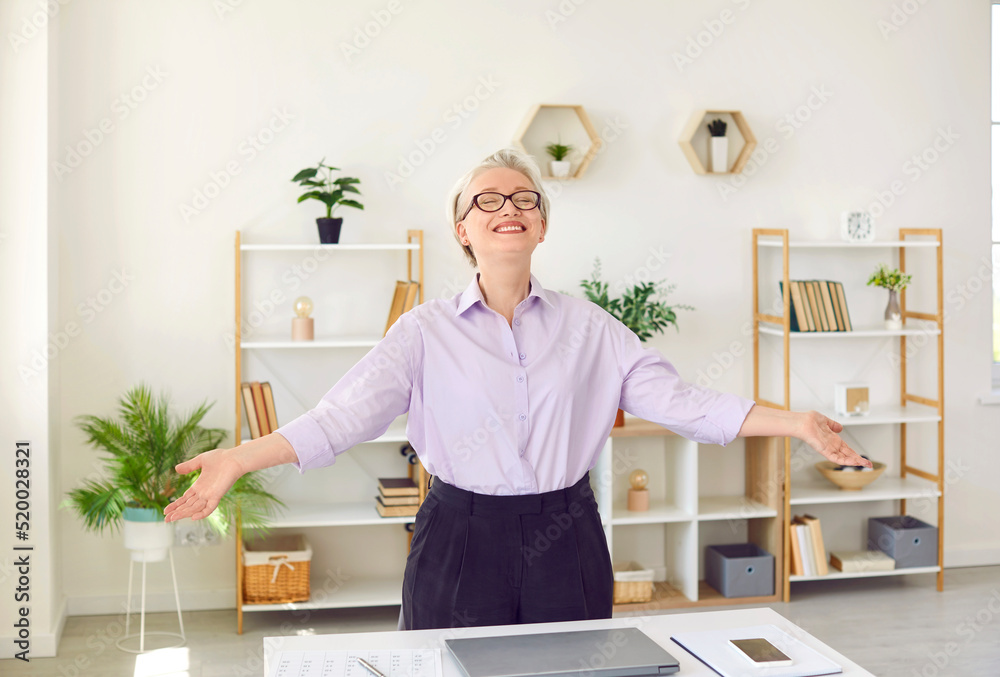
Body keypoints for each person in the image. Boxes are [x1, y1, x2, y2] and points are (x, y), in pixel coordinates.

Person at [164, 147, 871, 630]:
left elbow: (684, 403)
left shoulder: (592, 329)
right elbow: (338, 418)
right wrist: (238, 457)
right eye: (488, 198)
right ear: (462, 227)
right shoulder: (422, 332)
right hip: (457, 537)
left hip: (567, 534)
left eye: (525, 197)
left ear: (541, 223)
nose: (510, 206)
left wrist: (797, 422)